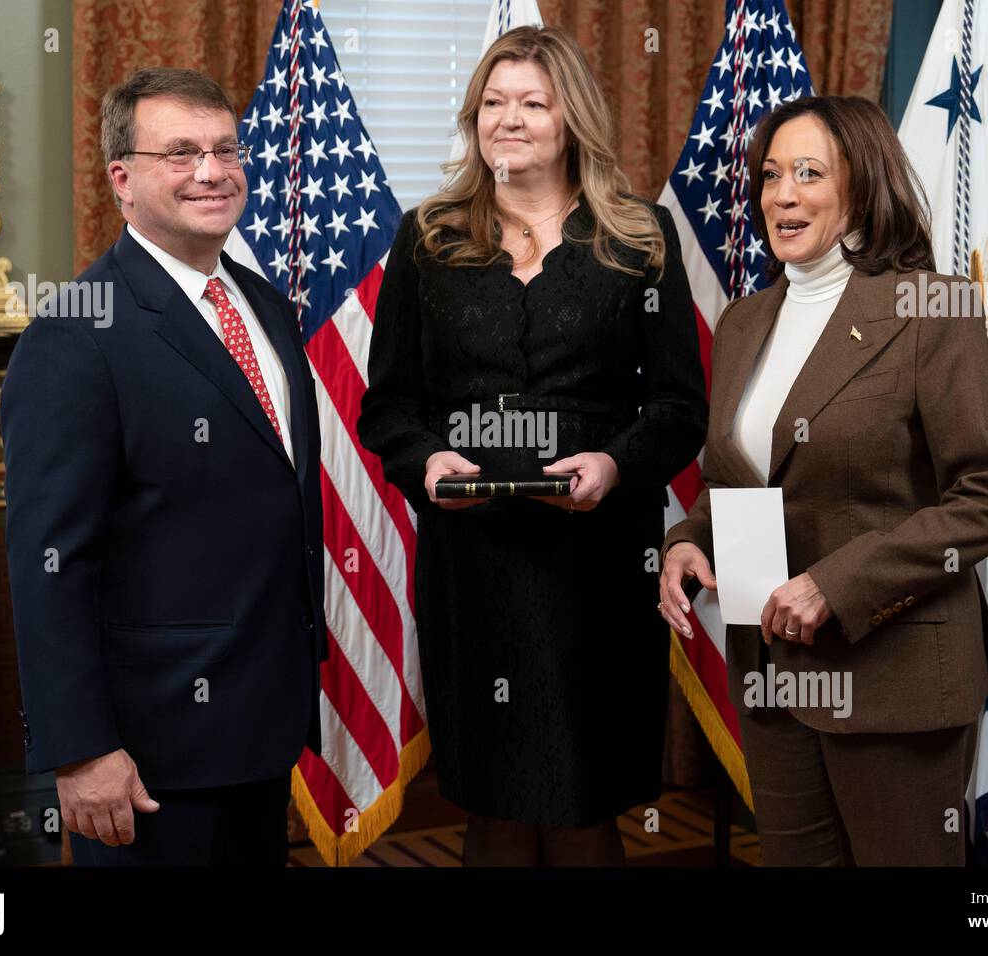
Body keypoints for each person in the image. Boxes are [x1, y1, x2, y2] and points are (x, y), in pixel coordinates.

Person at [358, 25, 707, 866]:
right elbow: (389, 404)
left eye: (532, 102)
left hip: (600, 561)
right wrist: (426, 461)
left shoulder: (640, 238)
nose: (508, 119)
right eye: (493, 102)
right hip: (473, 564)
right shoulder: (426, 237)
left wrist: (615, 464)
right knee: (493, 803)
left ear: (570, 117)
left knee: (585, 799)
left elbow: (677, 406)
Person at [659, 95, 988, 866]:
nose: (781, 195)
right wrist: (691, 539)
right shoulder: (744, 324)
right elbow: (738, 475)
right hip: (774, 676)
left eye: (807, 173)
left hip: (894, 678)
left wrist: (837, 583)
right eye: (769, 175)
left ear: (861, 185)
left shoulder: (933, 310)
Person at [1, 68, 324, 866]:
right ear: (123, 179)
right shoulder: (76, 334)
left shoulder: (265, 305)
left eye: (224, 150)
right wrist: (80, 751)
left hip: (261, 727)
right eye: (179, 153)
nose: (211, 172)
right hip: (147, 755)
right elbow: (50, 563)